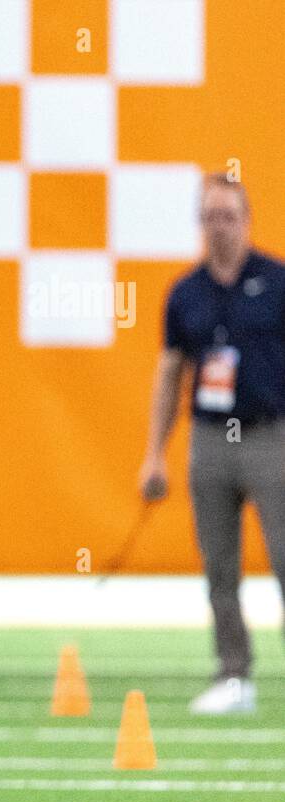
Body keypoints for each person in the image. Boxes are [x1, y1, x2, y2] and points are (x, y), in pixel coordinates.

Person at [139, 173, 285, 714]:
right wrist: (155, 453)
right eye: (210, 217)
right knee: (219, 564)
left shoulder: (276, 282)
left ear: (247, 220)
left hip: (271, 434)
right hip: (210, 439)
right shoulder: (185, 293)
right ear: (199, 223)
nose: (219, 227)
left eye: (229, 216)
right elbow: (170, 372)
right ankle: (233, 675)